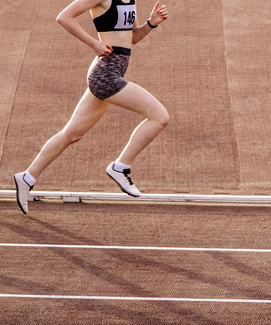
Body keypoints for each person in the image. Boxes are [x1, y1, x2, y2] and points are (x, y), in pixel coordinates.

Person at [12, 0, 170, 214]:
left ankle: (26, 177)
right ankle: (120, 167)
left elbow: (131, 38)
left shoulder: (130, 0)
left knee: (71, 134)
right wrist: (93, 43)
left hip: (111, 72)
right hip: (105, 76)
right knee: (159, 116)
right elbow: (64, 17)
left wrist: (151, 23)